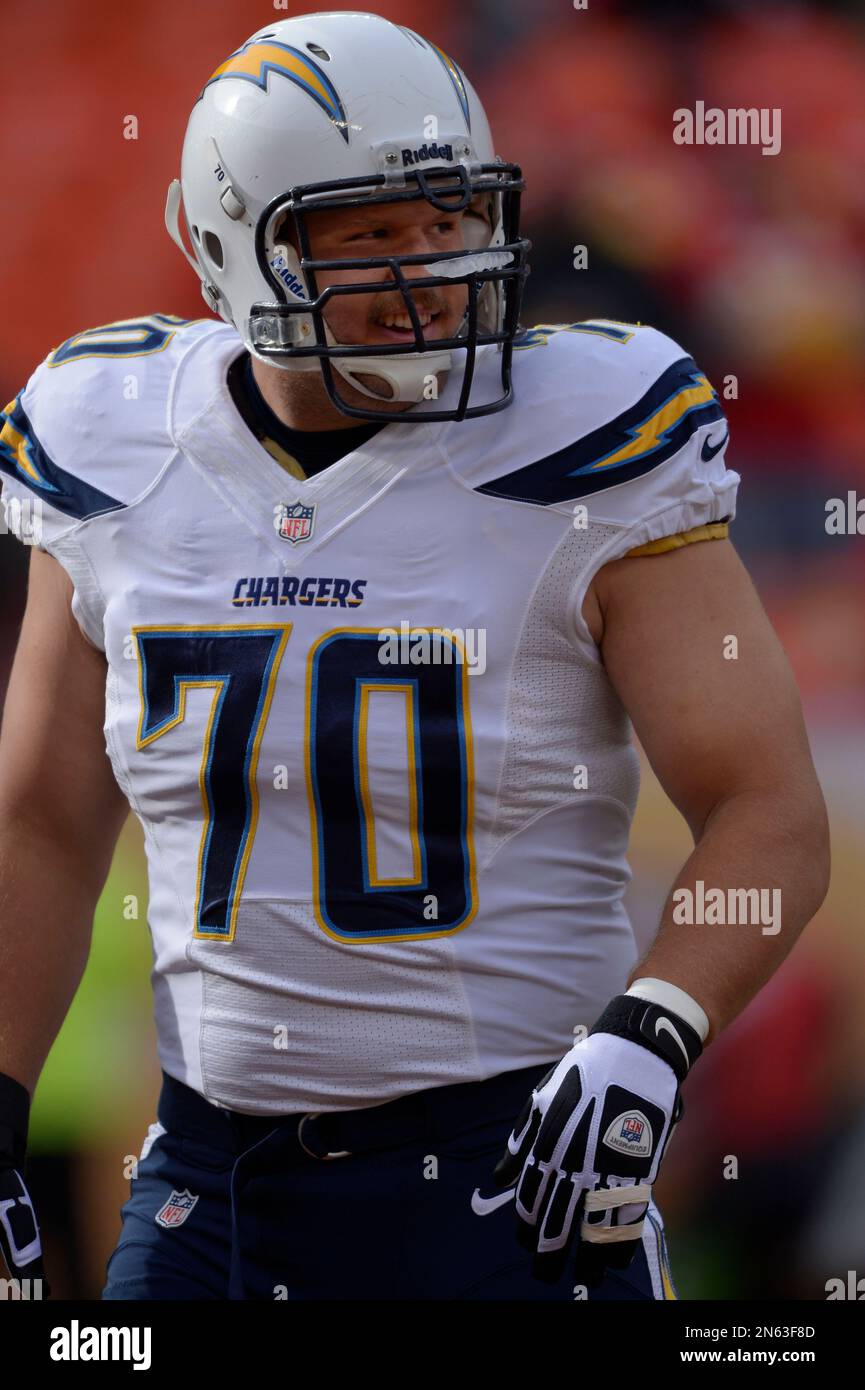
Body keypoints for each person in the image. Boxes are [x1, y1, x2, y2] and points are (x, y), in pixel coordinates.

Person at [0, 11, 829, 1301]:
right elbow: (44, 818)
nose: (428, 268)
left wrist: (654, 1030)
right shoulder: (112, 439)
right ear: (238, 246)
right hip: (206, 1186)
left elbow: (767, 808)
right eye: (370, 234)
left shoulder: (581, 442)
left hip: (508, 1171)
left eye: (446, 222)